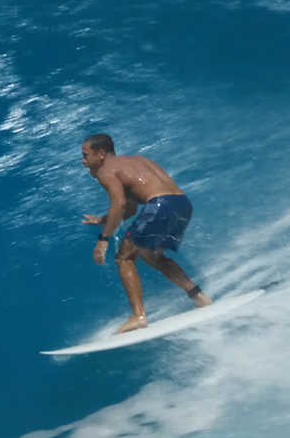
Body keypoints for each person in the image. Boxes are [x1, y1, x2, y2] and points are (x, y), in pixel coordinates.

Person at [80, 133, 213, 334]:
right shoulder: (135, 160)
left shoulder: (106, 170)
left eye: (85, 155)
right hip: (182, 204)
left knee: (124, 257)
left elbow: (119, 203)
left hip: (160, 205)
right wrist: (104, 220)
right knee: (152, 256)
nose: (83, 161)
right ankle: (200, 297)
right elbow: (131, 209)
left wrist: (103, 239)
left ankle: (138, 316)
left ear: (101, 154)